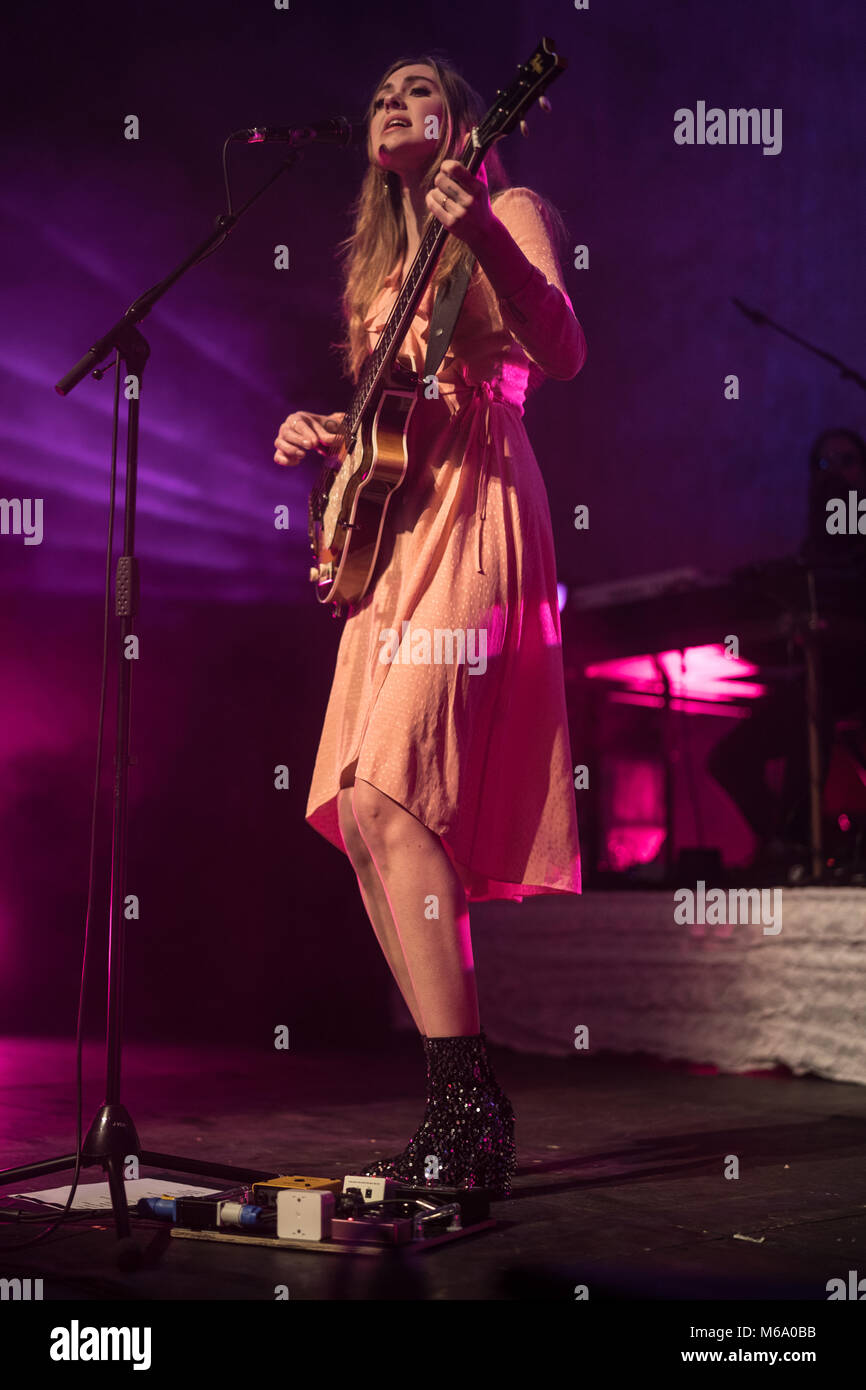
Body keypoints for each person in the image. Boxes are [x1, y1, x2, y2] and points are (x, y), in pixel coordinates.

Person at [273, 54, 587, 1197]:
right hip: (394, 541)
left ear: (463, 121)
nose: (393, 107)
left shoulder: (506, 210)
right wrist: (324, 431)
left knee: (401, 788)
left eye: (419, 92)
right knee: (360, 808)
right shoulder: (374, 265)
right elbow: (382, 421)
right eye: (378, 97)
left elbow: (560, 348)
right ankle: (455, 1102)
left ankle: (470, 1103)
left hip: (481, 507)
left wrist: (489, 240)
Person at [708, 428, 866, 874]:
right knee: (729, 757)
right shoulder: (817, 544)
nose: (835, 474)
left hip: (846, 682)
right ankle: (798, 845)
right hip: (819, 684)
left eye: (847, 462)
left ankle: (806, 846)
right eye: (824, 465)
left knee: (809, 718)